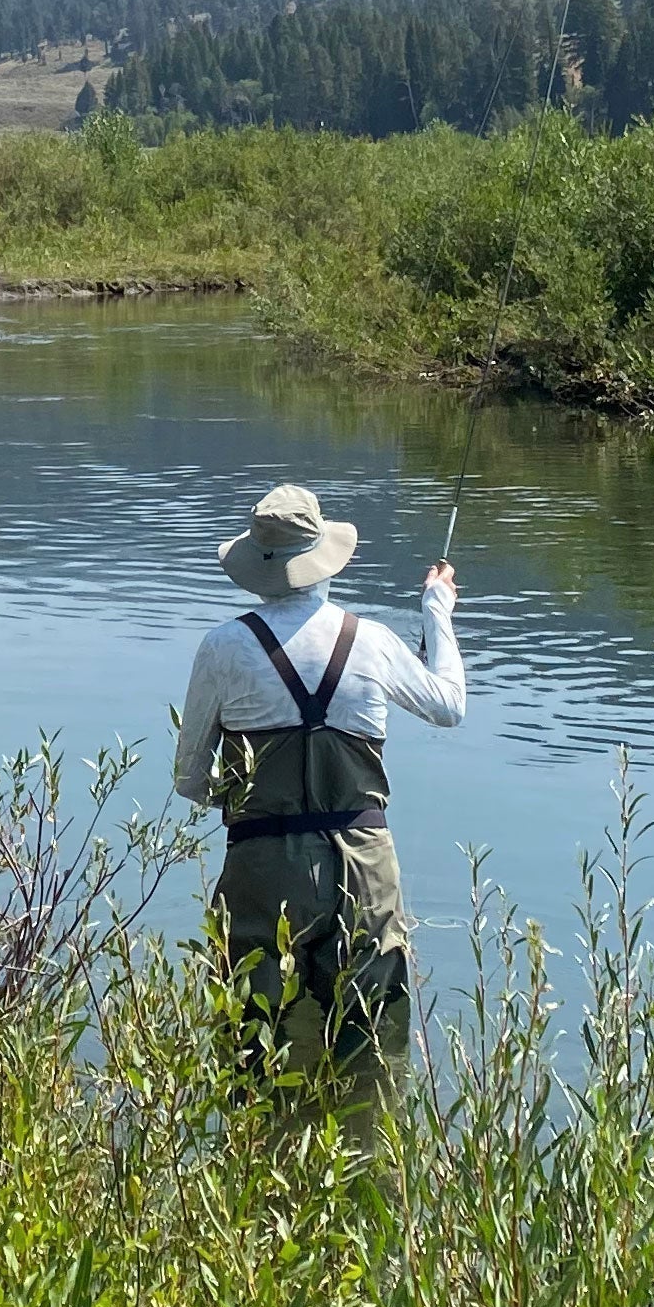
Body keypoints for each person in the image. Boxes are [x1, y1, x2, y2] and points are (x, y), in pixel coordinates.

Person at [174, 483, 464, 1137]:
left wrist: (251, 794)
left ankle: (259, 1170)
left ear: (257, 564)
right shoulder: (373, 641)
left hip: (261, 870)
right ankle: (359, 1182)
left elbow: (190, 781)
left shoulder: (222, 648)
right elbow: (450, 705)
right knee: (371, 1048)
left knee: (250, 1052)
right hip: (364, 870)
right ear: (325, 558)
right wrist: (436, 607)